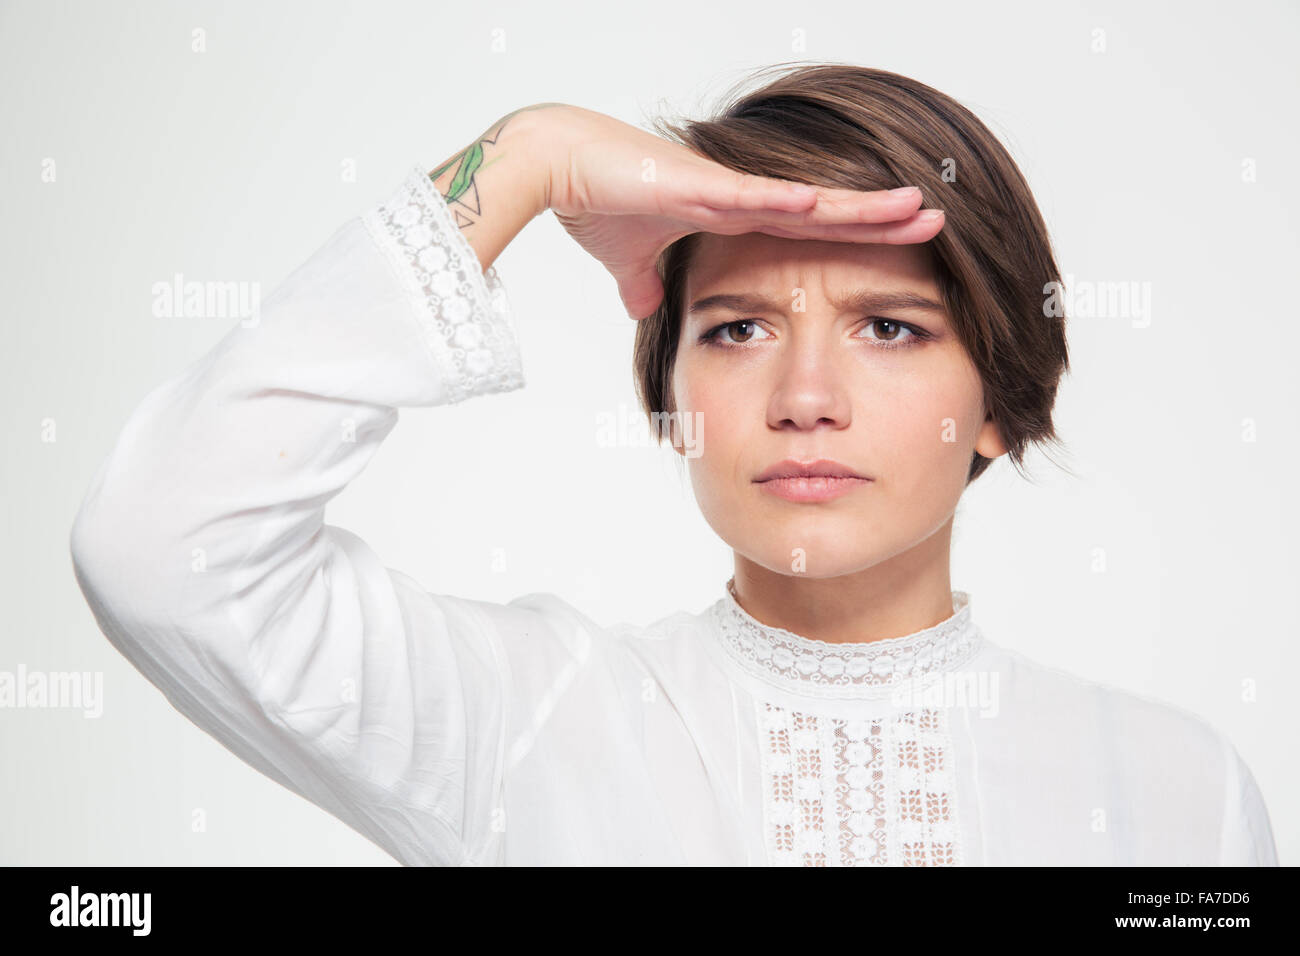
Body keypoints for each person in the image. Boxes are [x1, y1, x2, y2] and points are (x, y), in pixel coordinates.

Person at [69, 64, 1278, 866]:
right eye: (739, 328)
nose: (805, 398)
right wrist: (528, 156)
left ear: (1000, 403)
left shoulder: (1178, 794)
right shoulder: (530, 718)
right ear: (668, 399)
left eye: (890, 328)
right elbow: (161, 550)